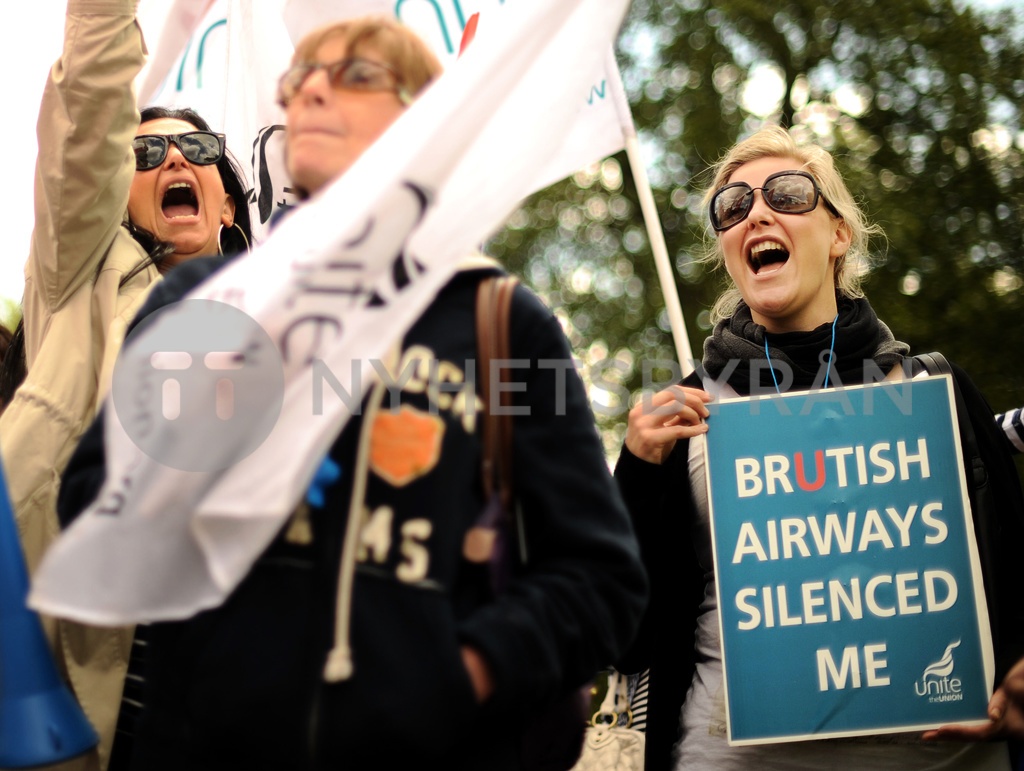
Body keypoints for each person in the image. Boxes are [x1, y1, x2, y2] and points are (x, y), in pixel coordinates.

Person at [58, 15, 647, 771]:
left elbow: (600, 578)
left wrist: (463, 668)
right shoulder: (210, 298)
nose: (312, 92)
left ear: (426, 118)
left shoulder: (499, 319)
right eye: (298, 81)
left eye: (354, 74)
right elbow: (86, 502)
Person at [613, 124, 1024, 771]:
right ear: (725, 247)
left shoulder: (935, 392)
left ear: (839, 234)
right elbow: (622, 632)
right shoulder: (681, 417)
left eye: (788, 193)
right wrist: (635, 473)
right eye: (733, 206)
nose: (757, 213)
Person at [0, 2, 252, 769]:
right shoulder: (81, 273)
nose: (175, 161)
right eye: (147, 155)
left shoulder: (297, 326)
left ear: (233, 201)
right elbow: (88, 111)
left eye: (196, 146)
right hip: (79, 689)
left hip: (237, 694)